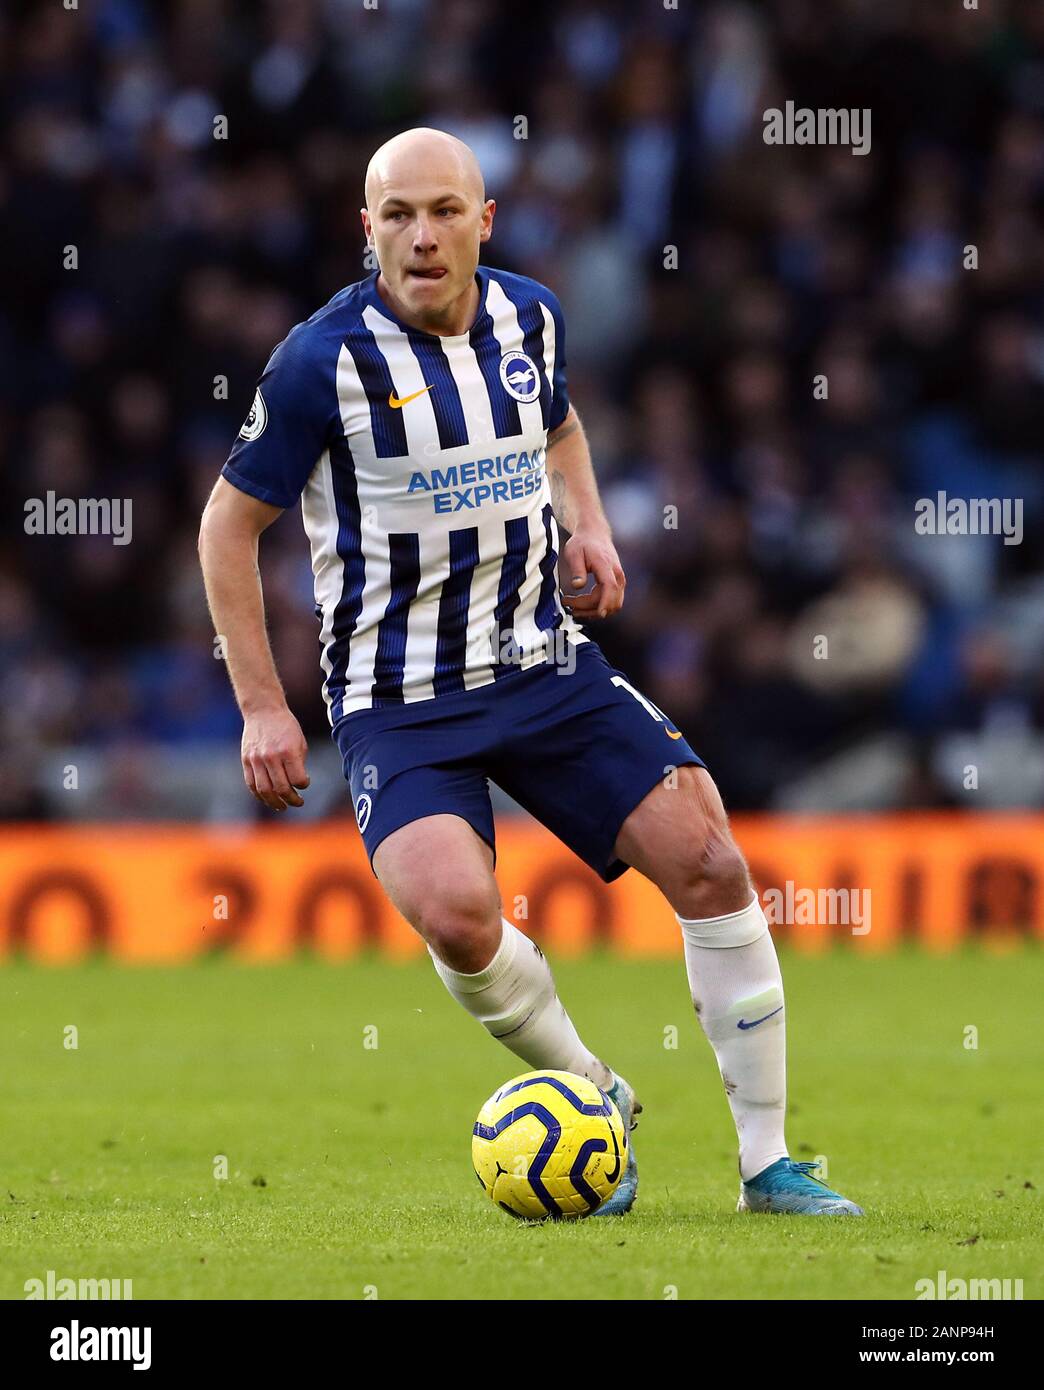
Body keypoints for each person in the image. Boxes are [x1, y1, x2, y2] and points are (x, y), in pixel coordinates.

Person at [198, 127, 862, 1217]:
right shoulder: (323, 360)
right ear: (366, 230)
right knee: (456, 914)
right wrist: (264, 706)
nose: (422, 236)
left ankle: (768, 1164)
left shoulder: (529, 316)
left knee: (708, 860)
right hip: (398, 699)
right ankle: (596, 1093)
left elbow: (558, 429)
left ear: (484, 221)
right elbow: (228, 530)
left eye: (444, 211)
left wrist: (587, 525)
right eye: (397, 215)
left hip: (540, 663)